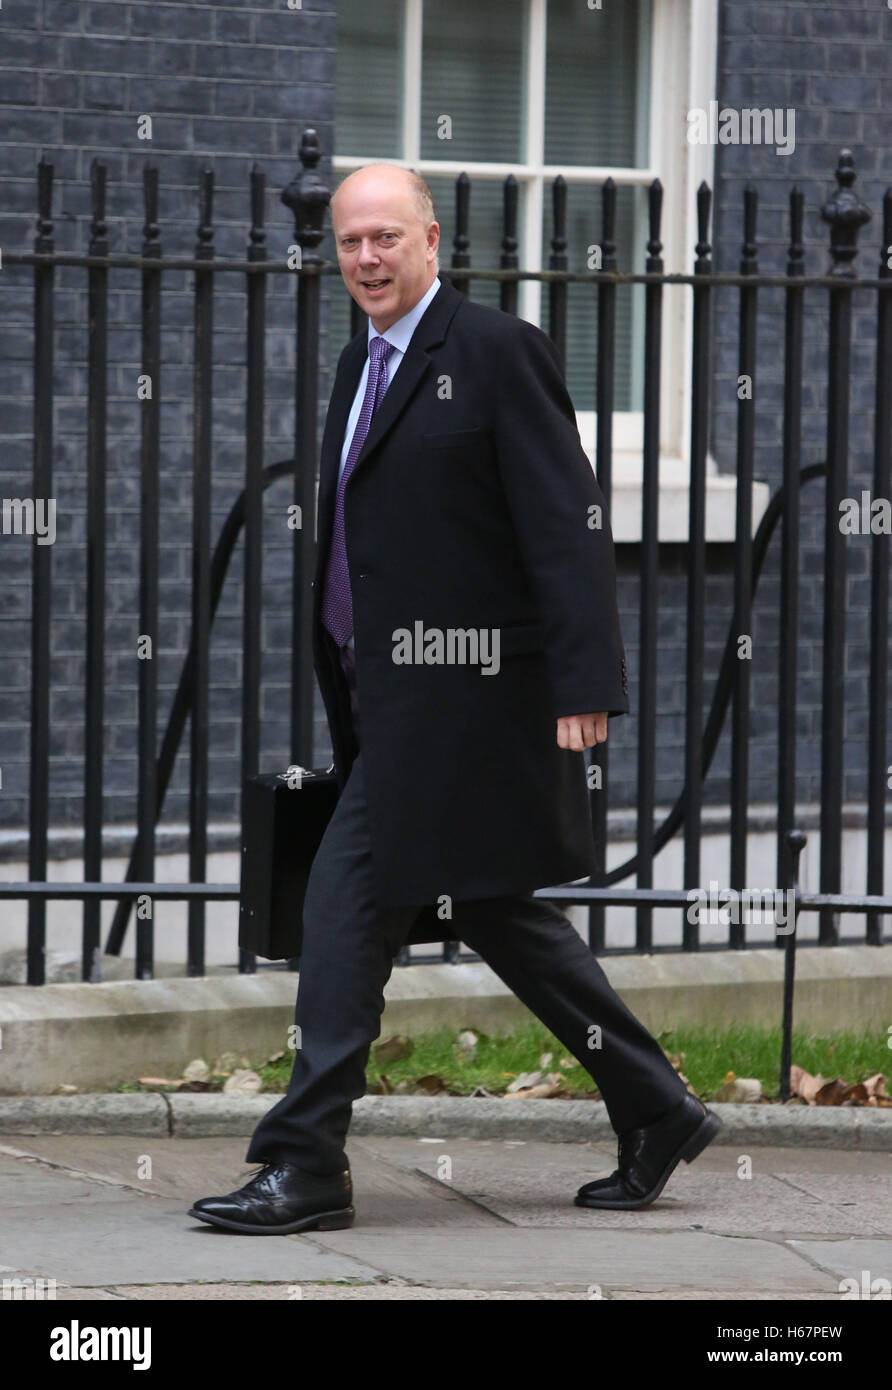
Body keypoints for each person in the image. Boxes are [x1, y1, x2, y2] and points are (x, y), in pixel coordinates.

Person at [189, 164, 720, 1236]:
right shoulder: (358, 361)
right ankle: (656, 1106)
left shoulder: (491, 351)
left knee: (343, 907)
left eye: (386, 236)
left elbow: (564, 518)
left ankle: (304, 1165)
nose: (367, 258)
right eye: (349, 243)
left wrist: (585, 681)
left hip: (470, 700)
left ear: (432, 239)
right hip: (386, 700)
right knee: (492, 908)